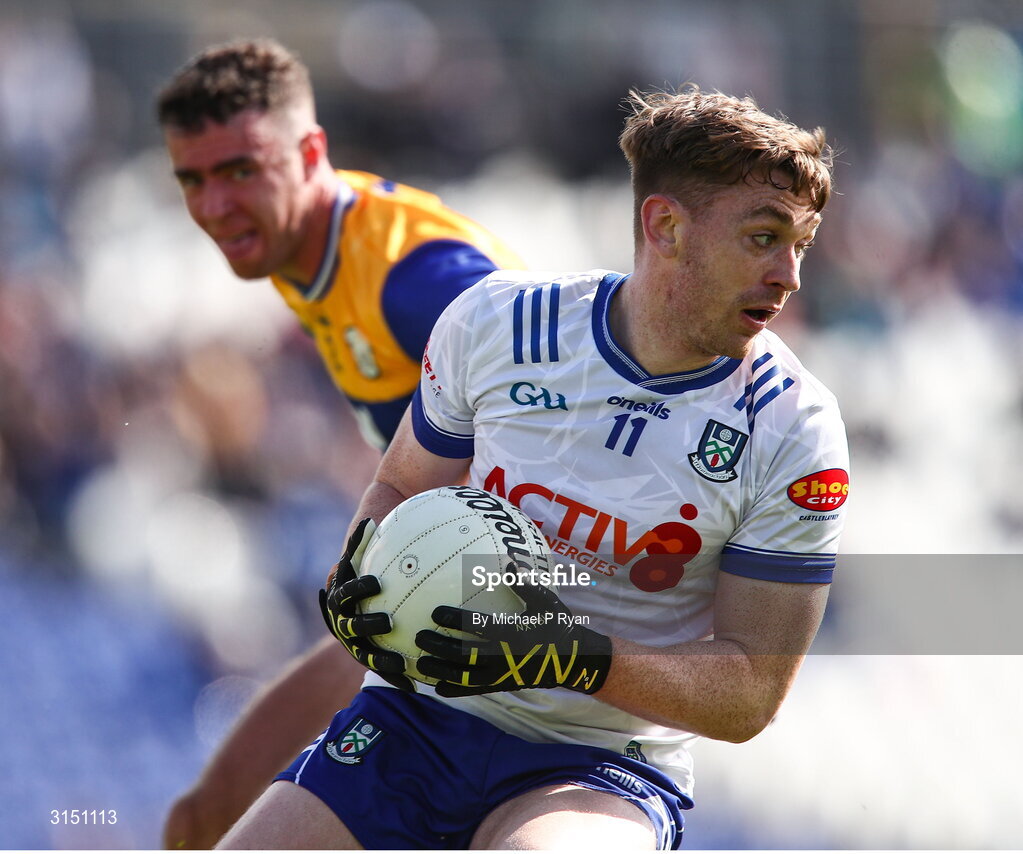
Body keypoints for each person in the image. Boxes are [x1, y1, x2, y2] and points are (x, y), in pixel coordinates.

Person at [215, 85, 848, 850]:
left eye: (799, 244)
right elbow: (400, 486)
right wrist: (360, 567)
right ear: (666, 225)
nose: (789, 275)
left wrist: (572, 656)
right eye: (762, 237)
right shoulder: (498, 322)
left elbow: (749, 693)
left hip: (600, 763)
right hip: (415, 716)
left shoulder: (794, 429)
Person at [155, 38, 523, 849]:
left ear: (311, 151)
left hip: (499, 629)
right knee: (203, 818)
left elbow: (556, 436)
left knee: (213, 819)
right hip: (420, 604)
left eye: (240, 171)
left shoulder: (417, 277)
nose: (215, 204)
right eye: (193, 179)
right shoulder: (307, 250)